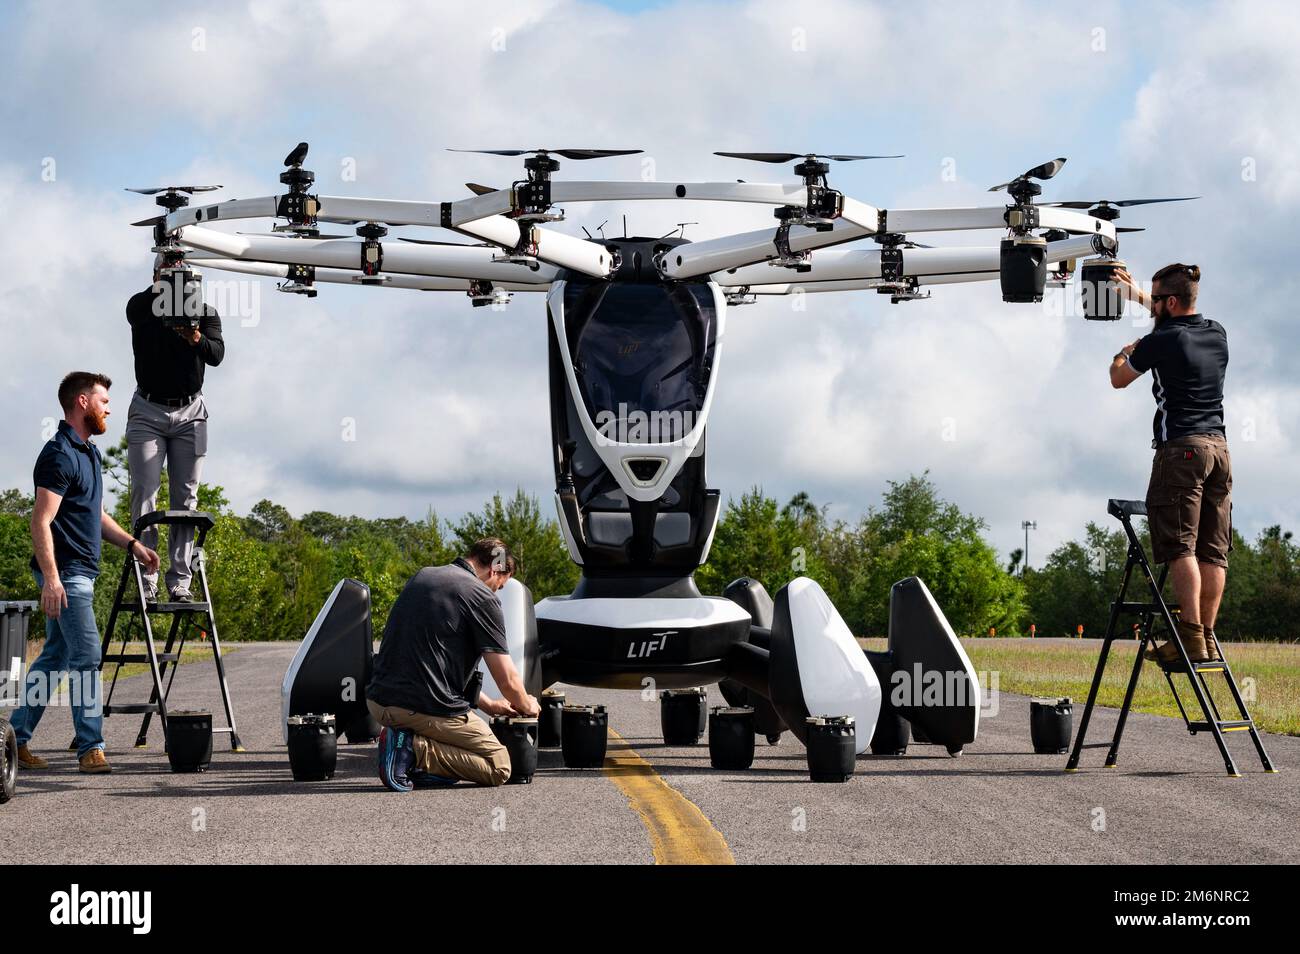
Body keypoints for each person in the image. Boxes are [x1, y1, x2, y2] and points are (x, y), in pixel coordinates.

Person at [12, 373, 161, 774]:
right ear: (82, 402)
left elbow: (93, 514)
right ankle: (90, 748)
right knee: (87, 654)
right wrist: (52, 578)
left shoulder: (89, 454)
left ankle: (13, 739)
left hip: (81, 573)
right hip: (68, 575)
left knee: (56, 656)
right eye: (103, 400)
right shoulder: (58, 453)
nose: (109, 408)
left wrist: (132, 544)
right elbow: (40, 521)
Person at [1110, 263, 1228, 665]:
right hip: (1220, 452)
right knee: (1214, 552)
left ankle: (1188, 639)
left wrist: (1121, 354)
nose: (1152, 304)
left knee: (1181, 547)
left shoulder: (1160, 340)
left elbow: (1119, 380)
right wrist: (1140, 297)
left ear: (1171, 301)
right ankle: (1206, 638)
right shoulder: (1216, 332)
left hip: (1181, 452)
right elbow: (1174, 323)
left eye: (1157, 299)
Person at [366, 537, 540, 791]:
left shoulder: (424, 576)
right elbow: (508, 681)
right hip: (419, 708)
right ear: (494, 569)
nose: (495, 592)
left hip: (379, 702)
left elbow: (437, 663)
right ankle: (412, 749)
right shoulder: (481, 597)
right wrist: (529, 705)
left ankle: (413, 761)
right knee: (499, 766)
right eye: (498, 586)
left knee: (461, 751)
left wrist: (489, 705)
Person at [124, 263, 224, 602]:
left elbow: (217, 354)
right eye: (168, 277)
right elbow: (135, 313)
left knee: (186, 498)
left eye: (184, 279)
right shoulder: (141, 306)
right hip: (148, 411)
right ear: (154, 278)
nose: (176, 285)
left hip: (191, 413)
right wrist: (163, 286)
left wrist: (193, 335)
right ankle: (146, 577)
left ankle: (179, 580)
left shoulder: (204, 314)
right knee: (145, 492)